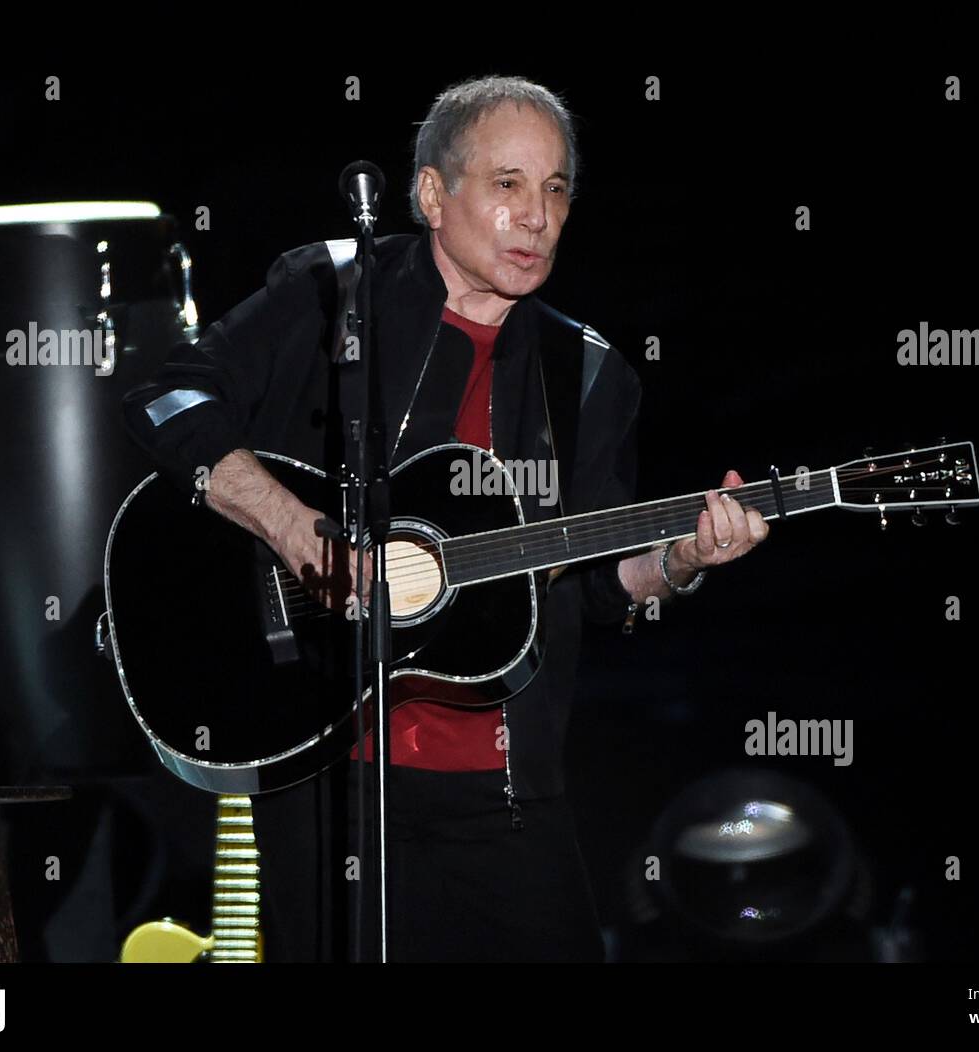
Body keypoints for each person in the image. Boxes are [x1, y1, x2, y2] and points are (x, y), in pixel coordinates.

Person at [121, 75, 768, 962]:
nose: (536, 216)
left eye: (555, 189)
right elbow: (166, 399)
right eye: (508, 185)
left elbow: (606, 587)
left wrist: (684, 561)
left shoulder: (589, 376)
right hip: (325, 770)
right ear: (432, 194)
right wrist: (292, 526)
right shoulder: (327, 293)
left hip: (502, 792)